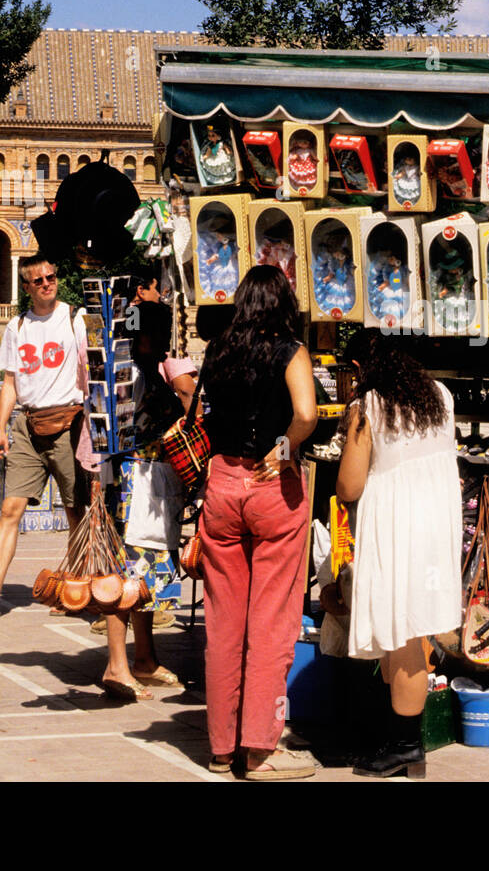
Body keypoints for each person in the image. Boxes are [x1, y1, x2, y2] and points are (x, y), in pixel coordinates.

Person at [198, 265, 318, 779]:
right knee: (271, 623)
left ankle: (222, 747)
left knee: (223, 622)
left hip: (221, 482)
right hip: (271, 486)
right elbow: (307, 413)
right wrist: (286, 446)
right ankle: (261, 750)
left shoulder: (219, 348)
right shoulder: (290, 349)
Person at [336, 330, 461, 778]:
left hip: (396, 526)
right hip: (434, 526)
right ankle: (399, 739)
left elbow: (349, 485)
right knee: (410, 628)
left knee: (404, 634)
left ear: (360, 370)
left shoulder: (367, 408)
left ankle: (407, 746)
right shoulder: (440, 396)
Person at [0, 254, 90, 622]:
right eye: (38, 280)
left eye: (51, 276)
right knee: (9, 510)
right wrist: (0, 428)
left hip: (68, 421)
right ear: (26, 286)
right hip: (27, 426)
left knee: (74, 509)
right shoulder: (18, 326)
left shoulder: (74, 319)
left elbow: (89, 367)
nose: (47, 283)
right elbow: (12, 382)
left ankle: (77, 589)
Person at [97, 302, 193, 698]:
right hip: (135, 485)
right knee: (127, 576)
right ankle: (117, 665)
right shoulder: (130, 375)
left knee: (145, 576)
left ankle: (145, 657)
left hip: (155, 484)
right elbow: (113, 436)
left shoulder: (151, 373)